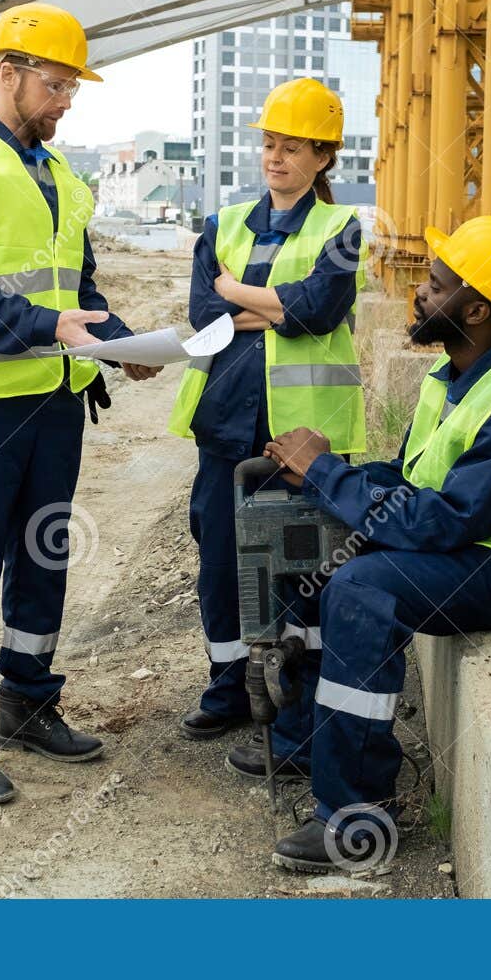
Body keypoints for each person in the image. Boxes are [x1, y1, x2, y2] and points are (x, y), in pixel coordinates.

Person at [258, 215, 491, 872]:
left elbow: (440, 522)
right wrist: (329, 479)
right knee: (313, 532)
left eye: (435, 282)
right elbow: (417, 482)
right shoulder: (455, 374)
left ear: (476, 307)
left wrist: (328, 475)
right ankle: (306, 734)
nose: (418, 290)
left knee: (363, 588)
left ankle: (355, 819)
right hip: (480, 542)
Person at [0, 2, 159, 807]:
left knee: (43, 561)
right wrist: (50, 325)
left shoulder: (59, 174)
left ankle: (29, 702)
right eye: (55, 86)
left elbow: (75, 290)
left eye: (72, 89)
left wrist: (121, 342)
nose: (65, 103)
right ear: (4, 74)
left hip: (54, 403)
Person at [167, 77, 365, 757]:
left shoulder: (341, 227)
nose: (275, 157)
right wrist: (261, 304)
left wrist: (236, 294)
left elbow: (319, 308)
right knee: (221, 560)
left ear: (323, 157)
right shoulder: (222, 224)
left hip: (301, 434)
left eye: (292, 147)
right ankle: (227, 690)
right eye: (269, 144)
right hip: (225, 418)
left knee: (298, 568)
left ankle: (296, 716)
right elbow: (206, 314)